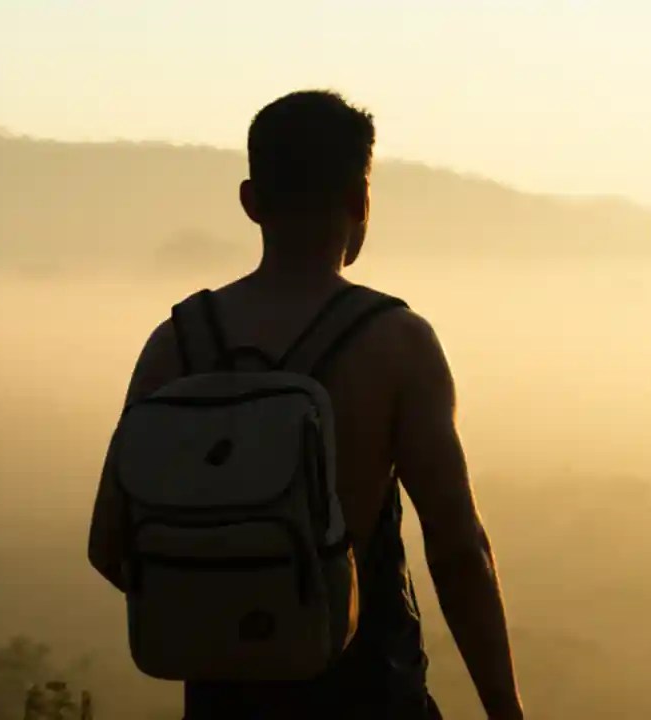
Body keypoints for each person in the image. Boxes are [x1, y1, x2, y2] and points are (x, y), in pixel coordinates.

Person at [87, 90, 524, 719]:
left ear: (250, 202)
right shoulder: (396, 343)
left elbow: (109, 545)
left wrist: (230, 604)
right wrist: (505, 710)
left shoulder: (176, 344)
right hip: (370, 696)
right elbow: (458, 551)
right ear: (360, 201)